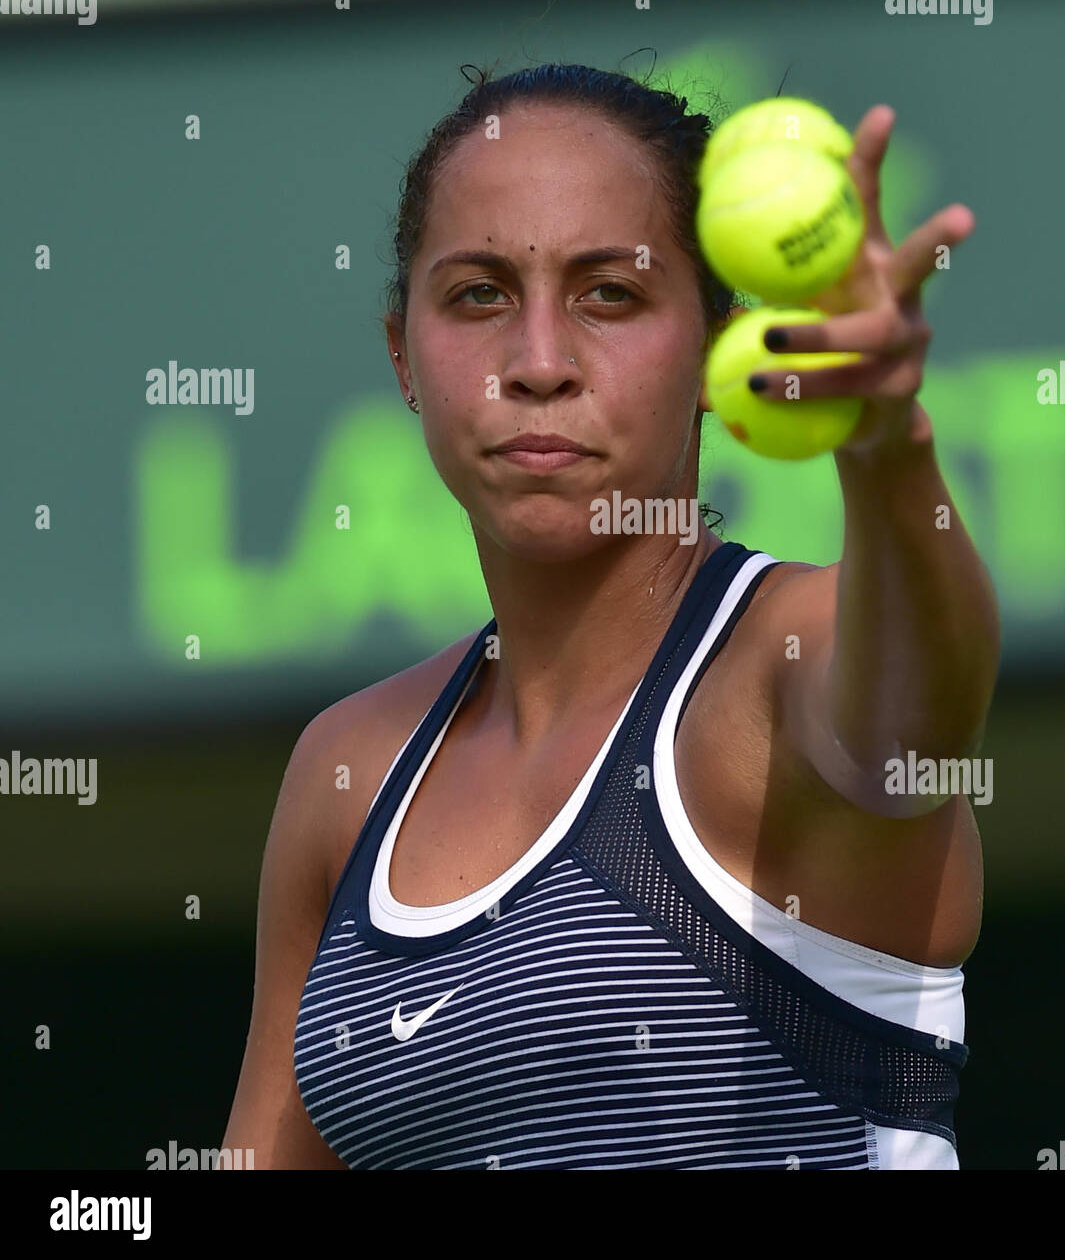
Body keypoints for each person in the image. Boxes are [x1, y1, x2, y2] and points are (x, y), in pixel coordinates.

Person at [222, 61, 998, 1170]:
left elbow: (923, 704)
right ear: (403, 354)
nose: (539, 363)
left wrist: (887, 448)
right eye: (478, 294)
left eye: (610, 293)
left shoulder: (783, 665)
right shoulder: (345, 773)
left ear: (711, 345)